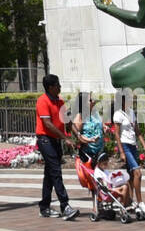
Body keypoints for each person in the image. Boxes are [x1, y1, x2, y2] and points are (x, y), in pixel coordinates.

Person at [35, 74, 79, 220]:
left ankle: (44, 207)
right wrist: (65, 137)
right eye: (58, 85)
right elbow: (47, 124)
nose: (60, 87)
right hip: (45, 140)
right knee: (55, 171)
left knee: (49, 175)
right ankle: (65, 205)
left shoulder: (59, 101)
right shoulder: (43, 101)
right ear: (50, 87)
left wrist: (78, 136)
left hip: (55, 140)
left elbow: (67, 121)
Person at [113, 91, 145, 214]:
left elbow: (137, 131)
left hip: (133, 145)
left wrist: (144, 146)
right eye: (129, 98)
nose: (132, 100)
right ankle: (140, 203)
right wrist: (121, 152)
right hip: (125, 145)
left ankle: (130, 201)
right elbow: (116, 134)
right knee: (138, 172)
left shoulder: (131, 112)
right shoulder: (118, 114)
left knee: (131, 175)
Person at [72, 93, 105, 162]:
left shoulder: (95, 113)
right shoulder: (80, 117)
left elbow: (101, 126)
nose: (93, 101)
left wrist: (105, 128)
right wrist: (90, 140)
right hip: (88, 154)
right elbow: (79, 136)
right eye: (90, 100)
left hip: (99, 152)